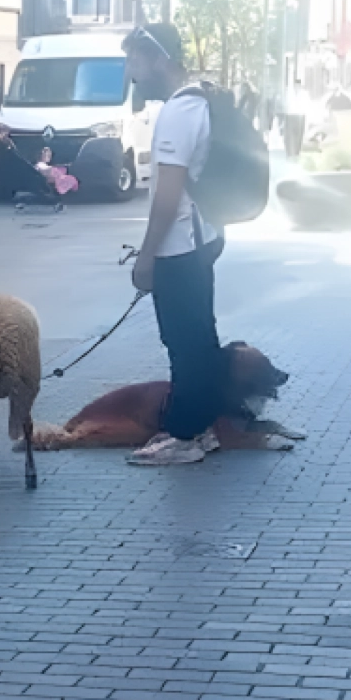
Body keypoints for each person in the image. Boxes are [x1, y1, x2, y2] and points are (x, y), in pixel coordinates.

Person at [122, 23, 227, 466]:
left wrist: (147, 256)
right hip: (202, 237)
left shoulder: (177, 114)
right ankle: (201, 428)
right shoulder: (197, 102)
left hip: (180, 245)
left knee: (183, 341)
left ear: (159, 60)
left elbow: (168, 196)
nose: (130, 73)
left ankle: (184, 436)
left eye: (134, 62)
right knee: (199, 336)